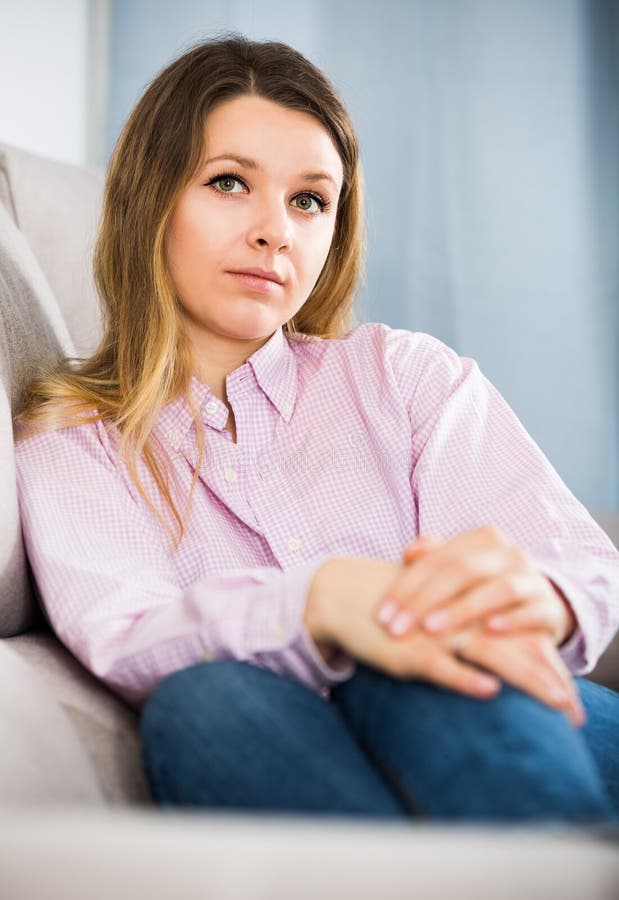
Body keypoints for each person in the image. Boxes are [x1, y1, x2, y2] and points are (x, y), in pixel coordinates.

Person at [13, 33, 619, 826]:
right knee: (203, 700)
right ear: (149, 200)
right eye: (230, 183)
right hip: (260, 729)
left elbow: (577, 564)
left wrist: (535, 597)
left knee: (412, 649)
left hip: (511, 713)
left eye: (309, 200)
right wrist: (320, 604)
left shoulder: (405, 377)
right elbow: (126, 636)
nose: (276, 231)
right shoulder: (72, 438)